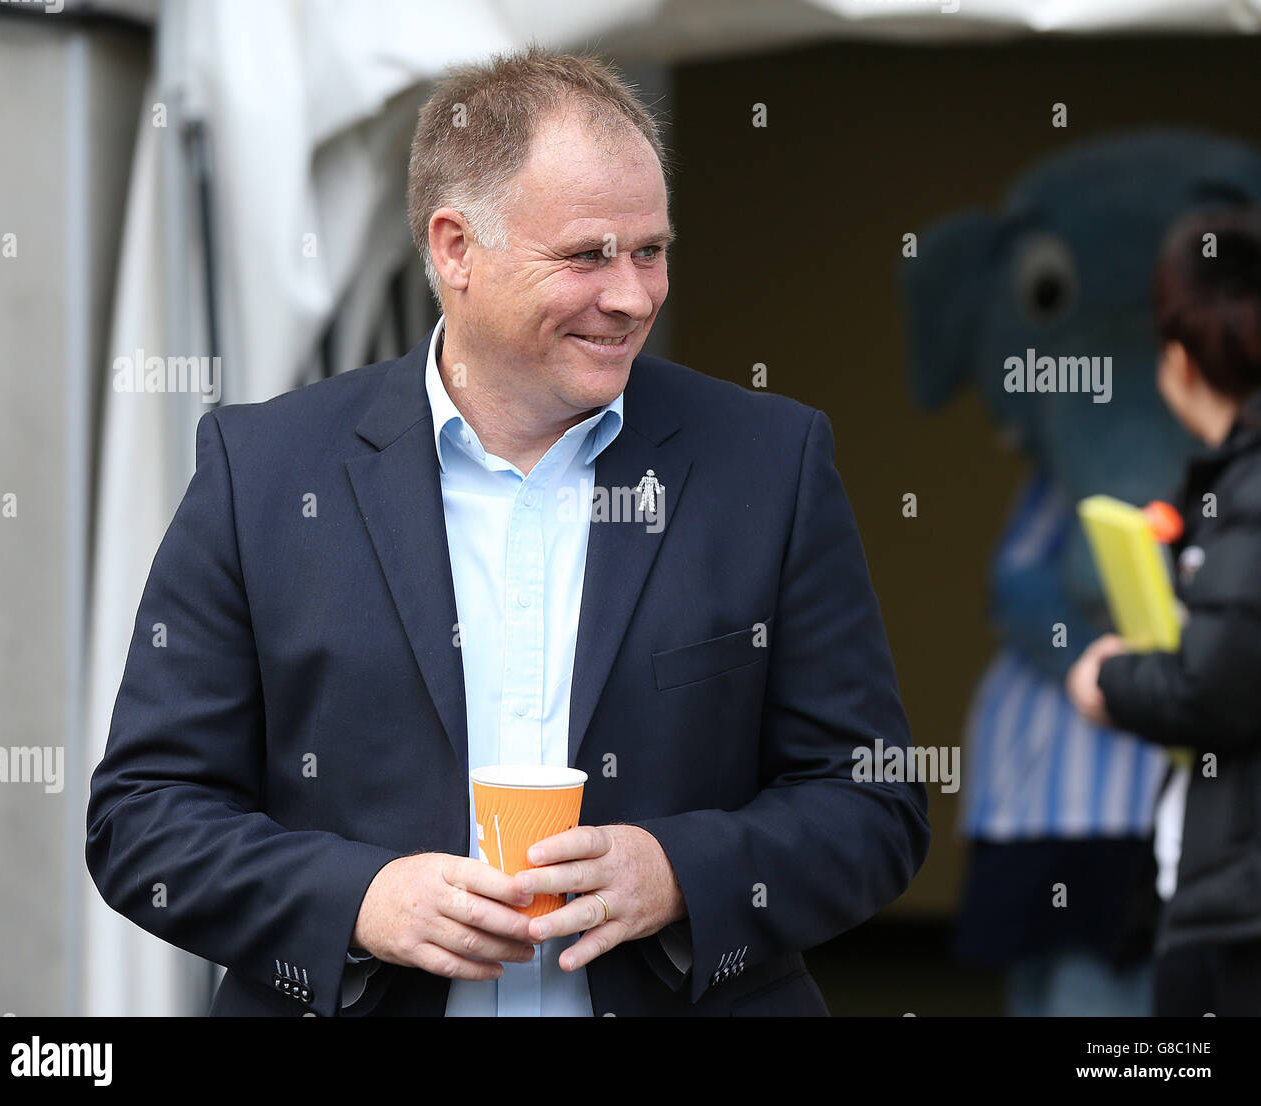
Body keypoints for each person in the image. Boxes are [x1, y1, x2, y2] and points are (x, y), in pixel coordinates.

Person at [85, 45, 929, 1017]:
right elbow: (143, 817)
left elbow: (873, 803)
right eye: (586, 256)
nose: (633, 295)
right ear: (455, 250)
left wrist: (678, 872)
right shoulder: (264, 472)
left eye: (649, 250)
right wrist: (360, 898)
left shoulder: (768, 465)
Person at [1066, 206, 1261, 1016]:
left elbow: (1213, 688)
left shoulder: (1250, 489)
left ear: (1179, 359)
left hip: (1239, 913)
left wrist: (1107, 679)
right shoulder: (1230, 485)